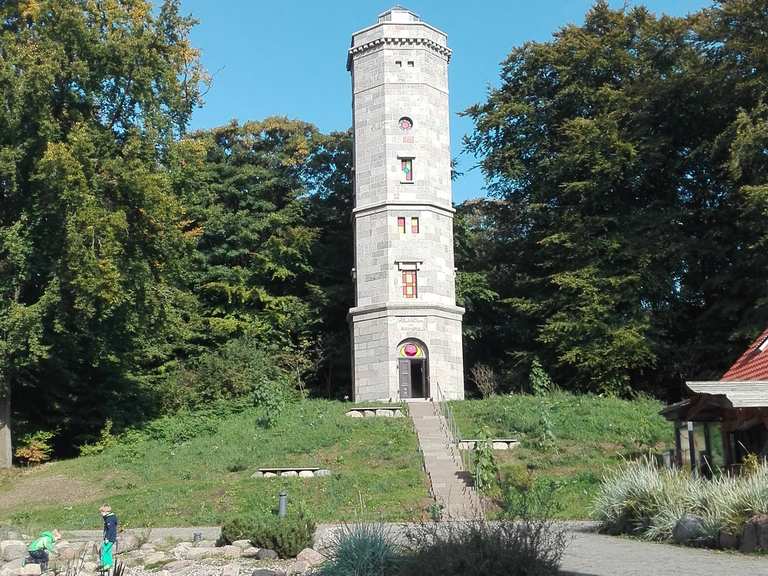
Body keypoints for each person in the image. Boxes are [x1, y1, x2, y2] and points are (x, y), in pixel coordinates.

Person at [99, 505, 118, 571]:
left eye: (101, 512)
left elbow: (110, 530)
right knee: (108, 551)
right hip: (110, 538)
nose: (100, 513)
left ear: (106, 512)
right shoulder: (108, 518)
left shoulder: (110, 519)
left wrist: (107, 538)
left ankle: (106, 564)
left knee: (105, 550)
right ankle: (109, 563)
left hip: (110, 538)